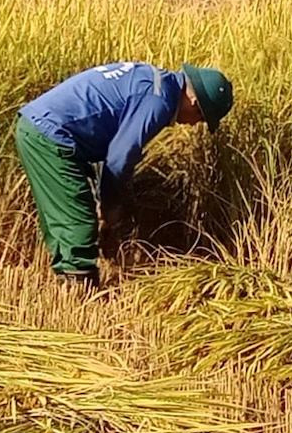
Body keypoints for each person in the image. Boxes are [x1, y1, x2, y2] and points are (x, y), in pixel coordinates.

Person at [16, 62, 234, 288]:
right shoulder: (159, 101)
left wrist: (107, 201)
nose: (194, 125)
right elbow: (119, 158)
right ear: (195, 102)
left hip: (39, 127)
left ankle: (67, 284)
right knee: (78, 223)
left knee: (65, 220)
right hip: (50, 135)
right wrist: (110, 208)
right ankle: (78, 292)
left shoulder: (157, 81)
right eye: (201, 119)